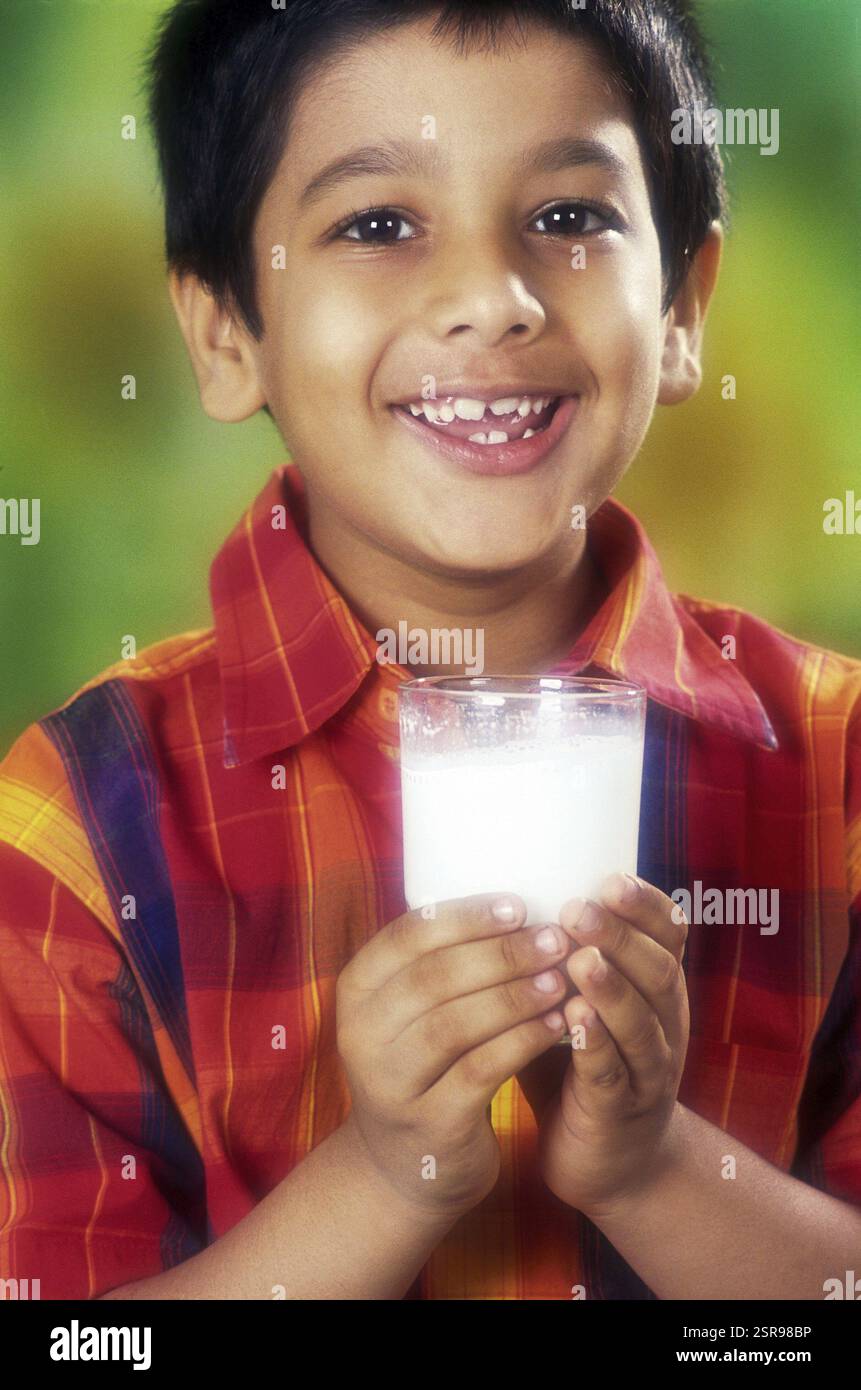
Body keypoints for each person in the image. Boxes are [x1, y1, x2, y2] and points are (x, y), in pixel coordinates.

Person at [1, 0, 859, 1301]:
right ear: (226, 331)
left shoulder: (837, 772)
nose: (488, 299)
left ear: (683, 305)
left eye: (569, 217)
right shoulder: (80, 823)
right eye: (378, 224)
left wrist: (646, 1164)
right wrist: (385, 1174)